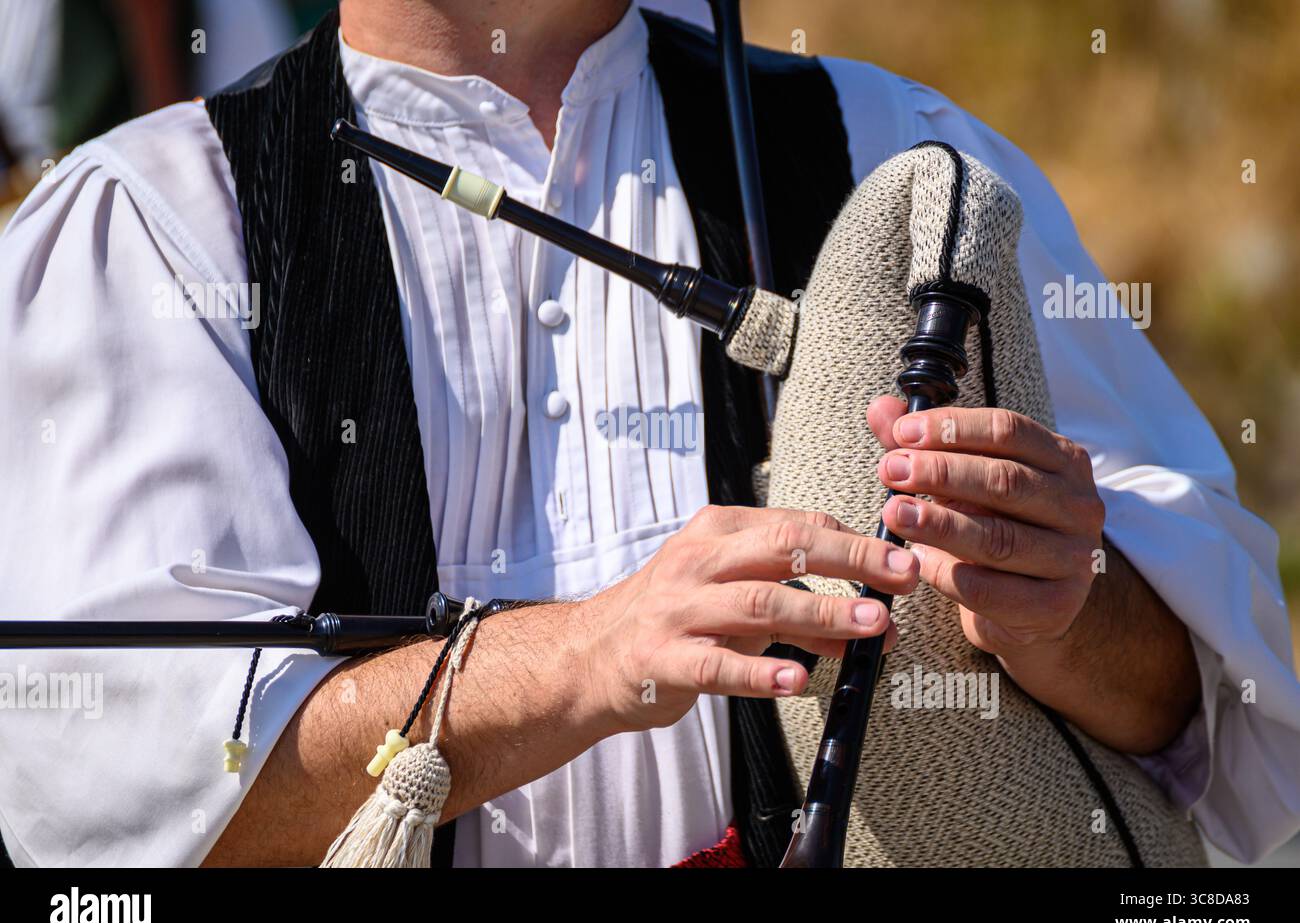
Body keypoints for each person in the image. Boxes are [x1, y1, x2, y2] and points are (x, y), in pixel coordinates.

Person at [0, 0, 1294, 867]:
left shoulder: (896, 154)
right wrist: (577, 659)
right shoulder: (153, 227)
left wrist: (1071, 611)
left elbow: (1215, 720)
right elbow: (136, 795)